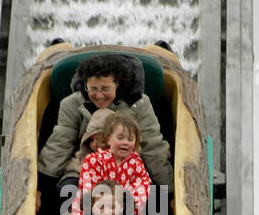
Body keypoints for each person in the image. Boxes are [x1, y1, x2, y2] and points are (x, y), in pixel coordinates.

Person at [38, 53, 173, 188]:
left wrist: (171, 190)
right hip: (83, 170)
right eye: (93, 89)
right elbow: (60, 144)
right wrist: (40, 187)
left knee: (149, 198)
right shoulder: (71, 104)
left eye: (105, 89)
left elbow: (153, 147)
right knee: (68, 191)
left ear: (117, 84)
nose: (99, 95)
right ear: (85, 85)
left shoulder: (139, 104)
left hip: (127, 172)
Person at [69, 111, 151, 215]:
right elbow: (88, 187)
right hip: (94, 209)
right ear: (108, 139)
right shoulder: (94, 160)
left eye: (130, 139)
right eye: (120, 138)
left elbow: (141, 189)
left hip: (123, 211)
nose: (125, 142)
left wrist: (123, 209)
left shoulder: (136, 164)